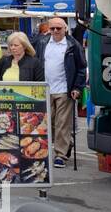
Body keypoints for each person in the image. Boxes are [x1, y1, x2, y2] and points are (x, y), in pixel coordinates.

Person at [35, 16, 87, 168]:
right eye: (52, 28)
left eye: (59, 28)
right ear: (48, 29)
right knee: (48, 123)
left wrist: (77, 88)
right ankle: (67, 143)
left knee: (62, 124)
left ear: (65, 29)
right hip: (45, 89)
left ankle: (60, 155)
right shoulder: (42, 43)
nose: (56, 31)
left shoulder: (73, 45)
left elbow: (82, 68)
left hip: (65, 89)